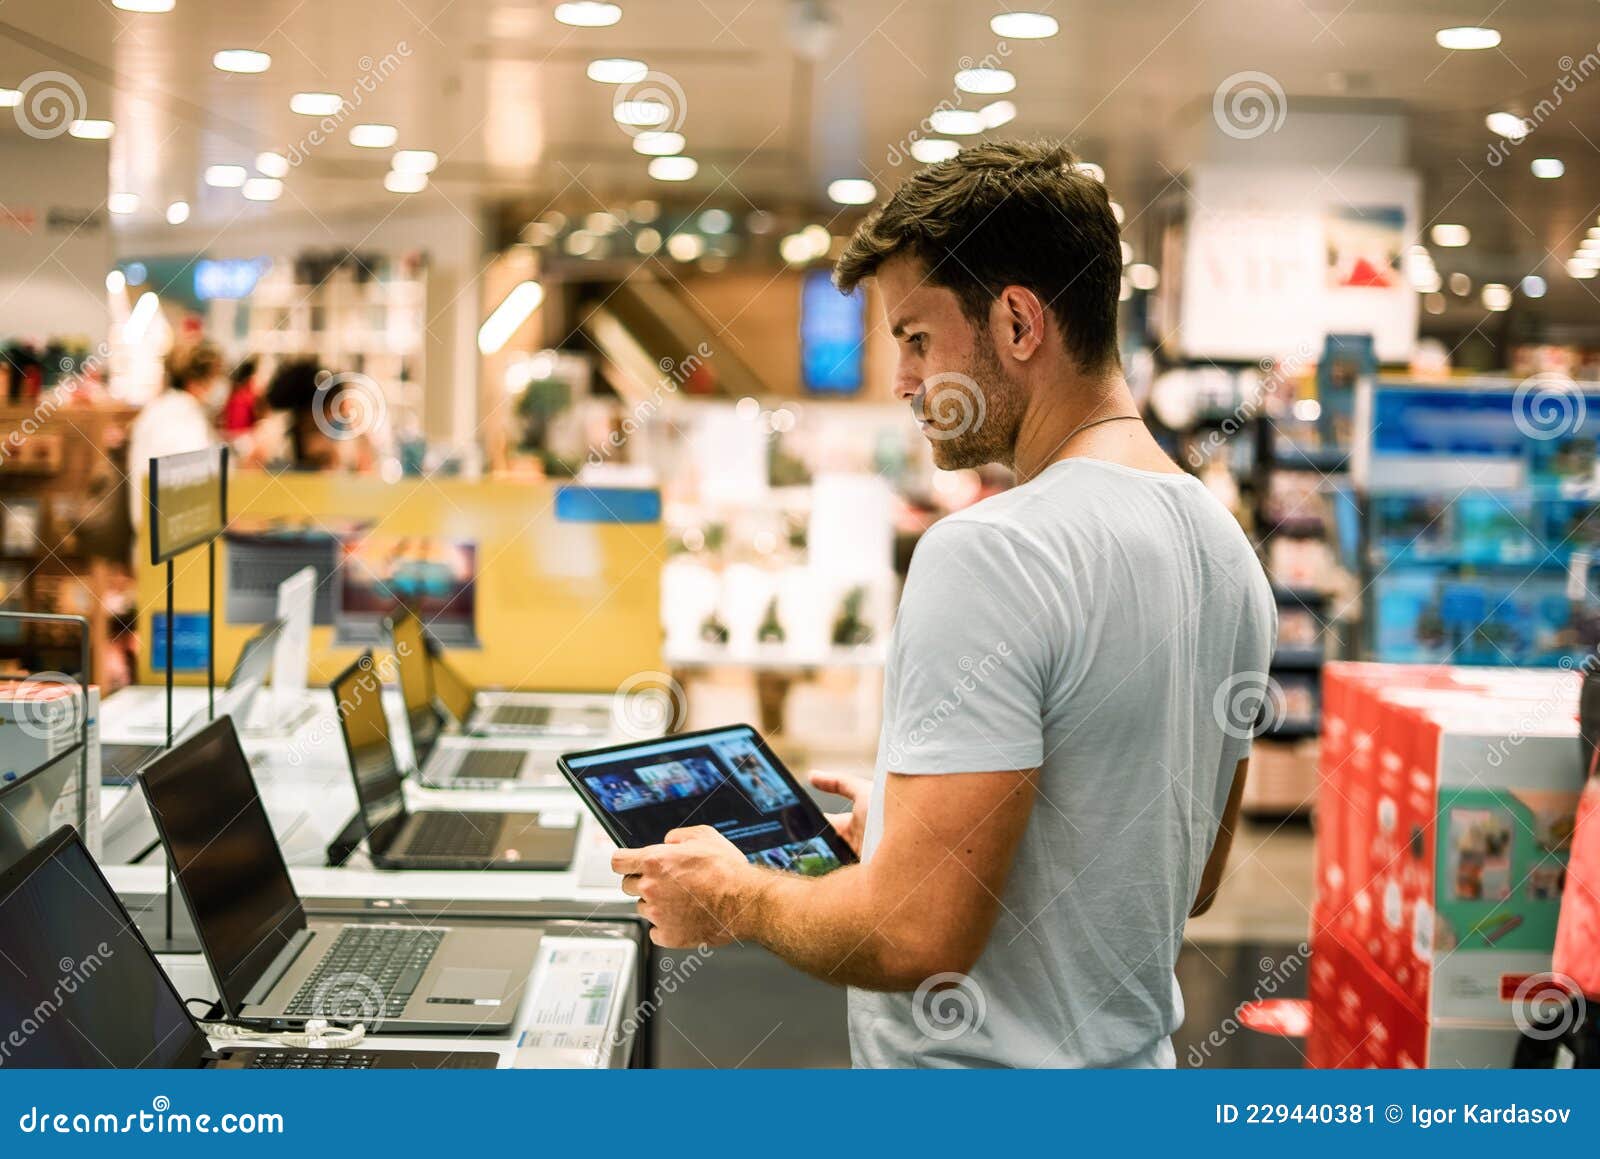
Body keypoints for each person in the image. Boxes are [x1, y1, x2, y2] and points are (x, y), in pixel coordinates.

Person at [612, 141, 1277, 1068]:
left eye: (918, 337)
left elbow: (914, 936)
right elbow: (1184, 875)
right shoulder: (1225, 553)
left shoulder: (991, 550)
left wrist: (735, 893)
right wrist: (925, 830)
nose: (903, 383)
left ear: (1015, 321)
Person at [126, 341, 223, 526]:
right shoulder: (185, 419)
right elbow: (197, 479)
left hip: (150, 532)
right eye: (215, 377)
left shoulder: (156, 409)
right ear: (196, 381)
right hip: (174, 535)